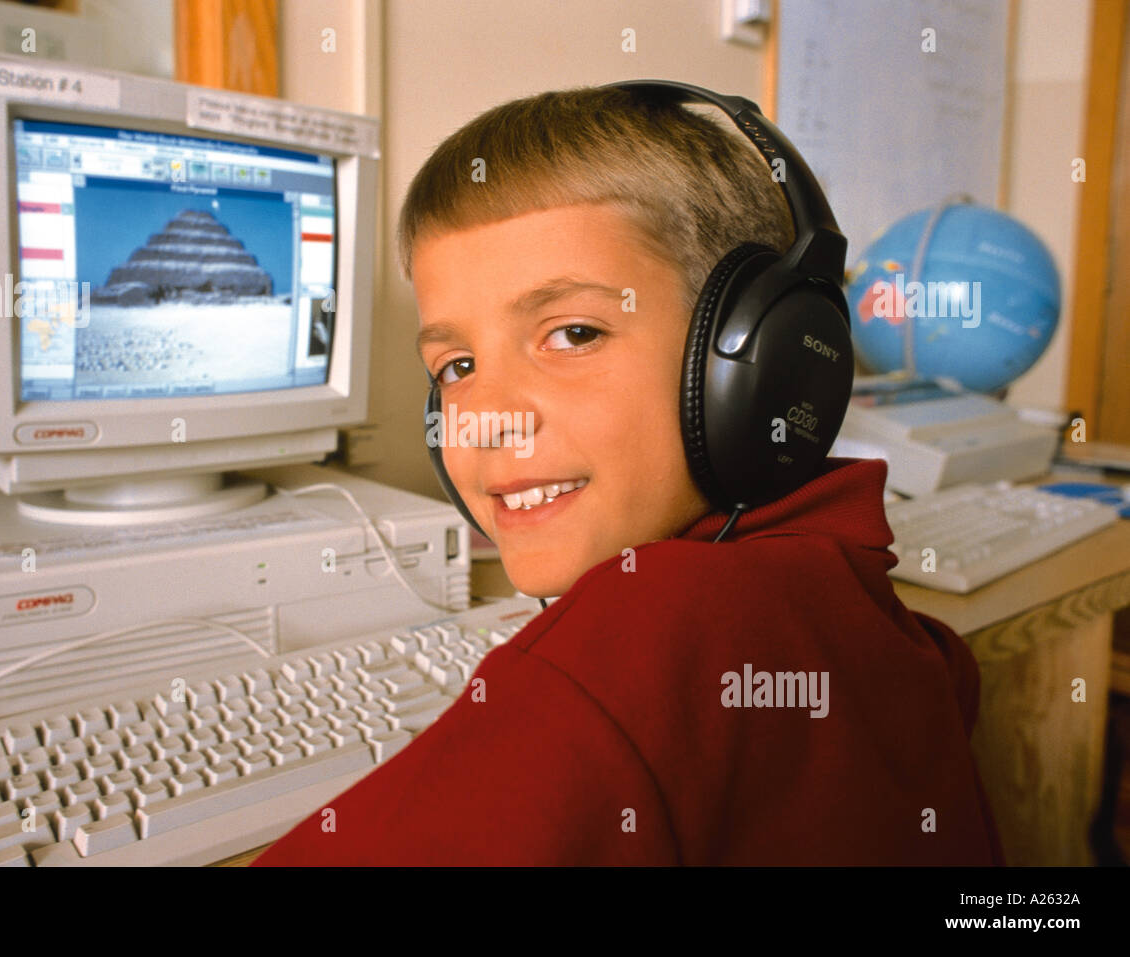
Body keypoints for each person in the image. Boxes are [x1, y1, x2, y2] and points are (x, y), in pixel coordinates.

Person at [252, 84, 1004, 865]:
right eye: (458, 365)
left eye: (573, 333)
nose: (487, 417)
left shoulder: (642, 632)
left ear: (763, 359)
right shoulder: (862, 592)